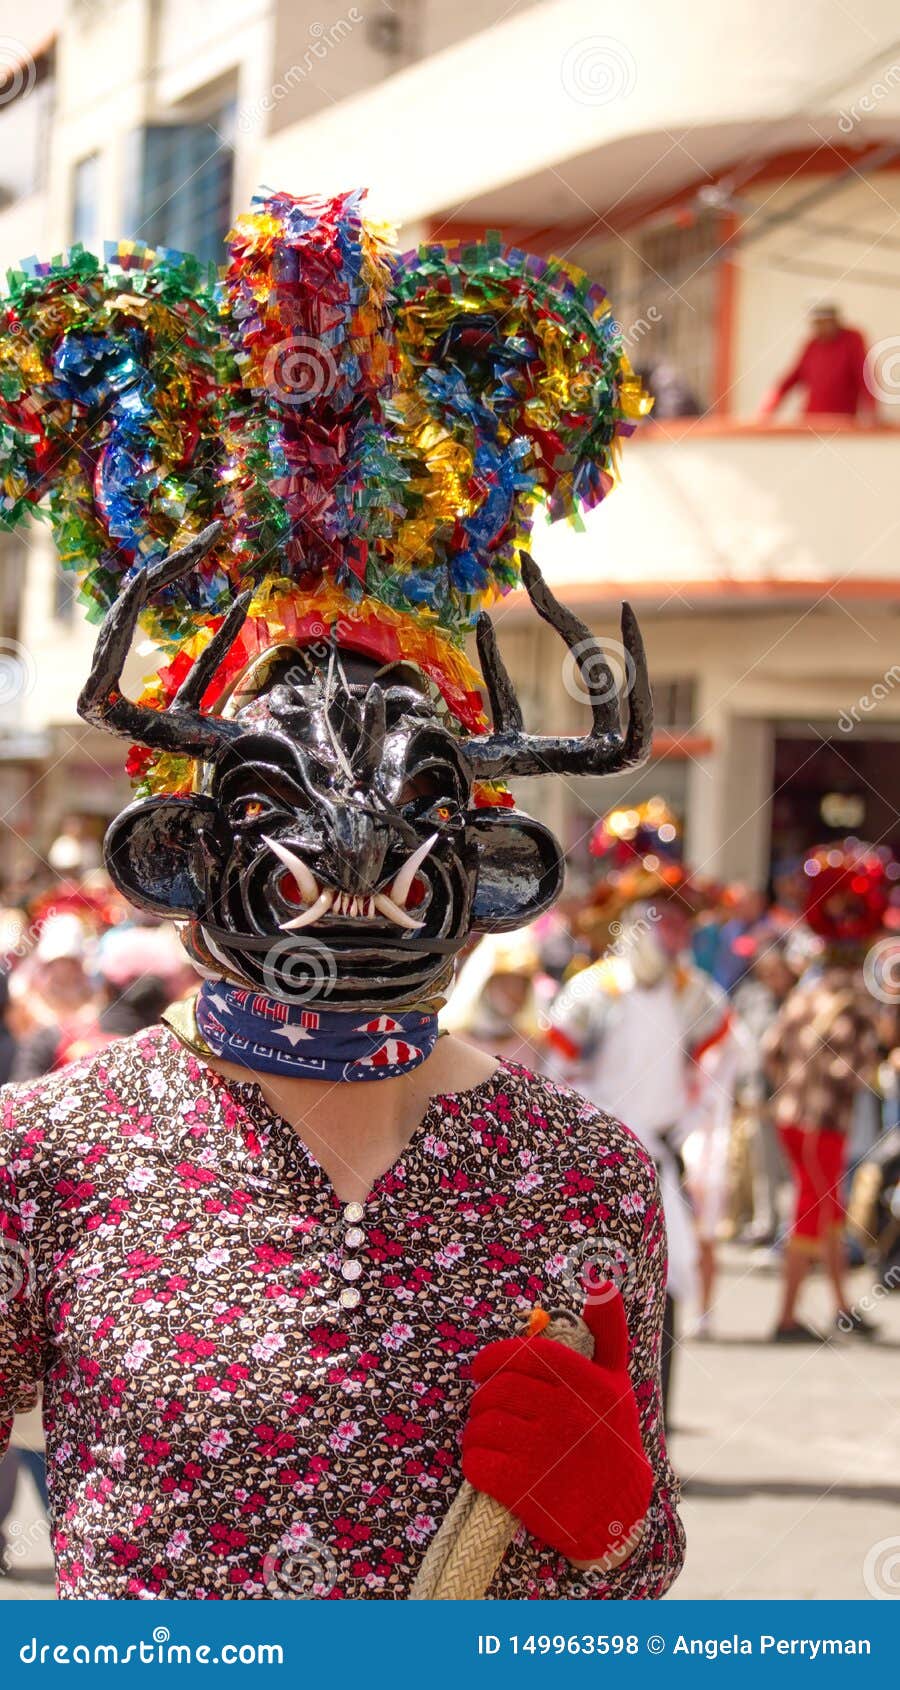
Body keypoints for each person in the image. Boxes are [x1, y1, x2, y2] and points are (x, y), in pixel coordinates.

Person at [0, 191, 682, 1600]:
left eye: (403, 802)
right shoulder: (45, 1154)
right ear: (176, 852)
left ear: (490, 871)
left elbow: (635, 1577)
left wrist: (614, 1522)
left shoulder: (589, 1173)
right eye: (288, 801)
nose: (356, 861)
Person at [547, 801, 734, 1395]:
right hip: (594, 1165)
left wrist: (698, 1137)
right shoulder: (589, 994)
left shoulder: (694, 994)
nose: (673, 932)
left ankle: (656, 1426)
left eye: (682, 922)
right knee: (591, 1291)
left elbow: (722, 1068)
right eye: (661, 918)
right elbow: (557, 1078)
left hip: (659, 1160)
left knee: (669, 1284)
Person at [762, 841, 890, 1342]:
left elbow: (771, 1049)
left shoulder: (807, 989)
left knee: (827, 1210)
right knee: (813, 1215)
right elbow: (850, 1069)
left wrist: (789, 1086)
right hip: (822, 1120)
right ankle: (787, 1317)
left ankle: (841, 1306)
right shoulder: (856, 999)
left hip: (793, 1115)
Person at [759, 303, 874, 420]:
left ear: (835, 321)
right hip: (811, 420)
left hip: (841, 422)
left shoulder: (852, 340)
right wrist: (767, 411)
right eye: (816, 323)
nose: (820, 327)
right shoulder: (812, 345)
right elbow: (789, 380)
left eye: (824, 321)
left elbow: (864, 377)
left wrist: (872, 410)